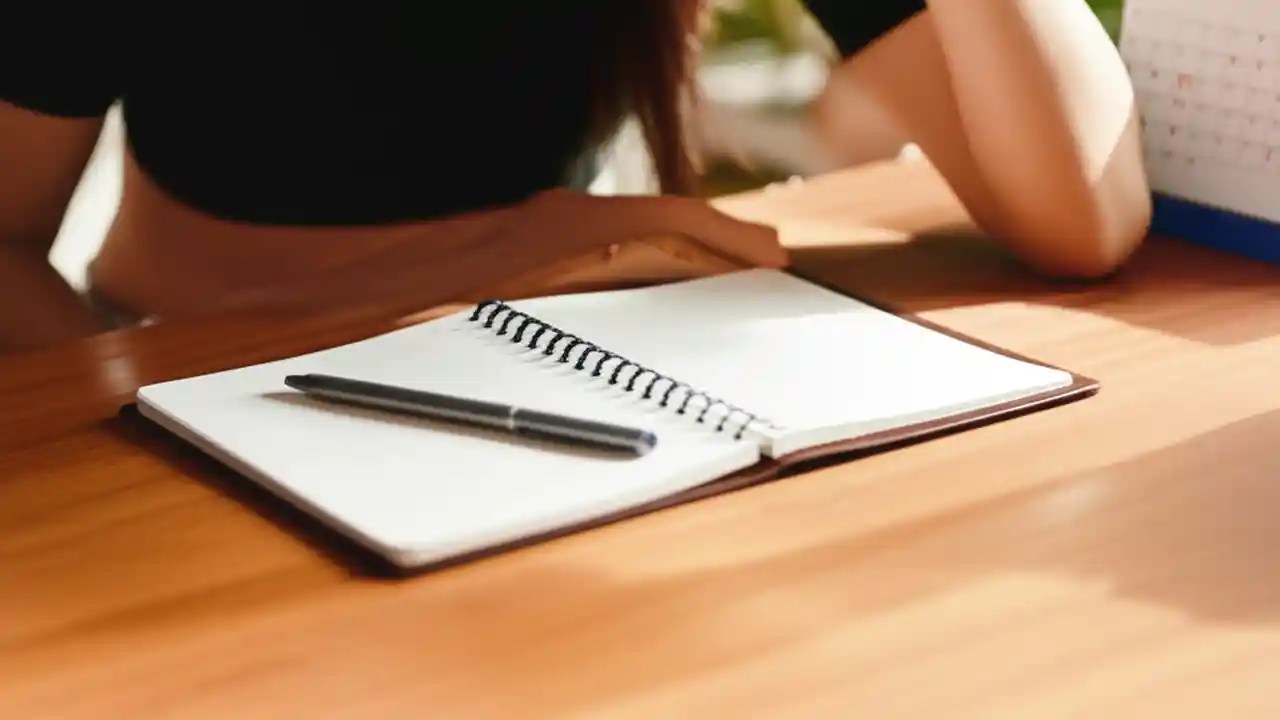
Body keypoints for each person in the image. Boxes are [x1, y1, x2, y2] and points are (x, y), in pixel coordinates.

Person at [0, 2, 1151, 353]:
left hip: (546, 367)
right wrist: (493, 251)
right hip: (198, 378)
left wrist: (508, 259)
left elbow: (1078, 214)